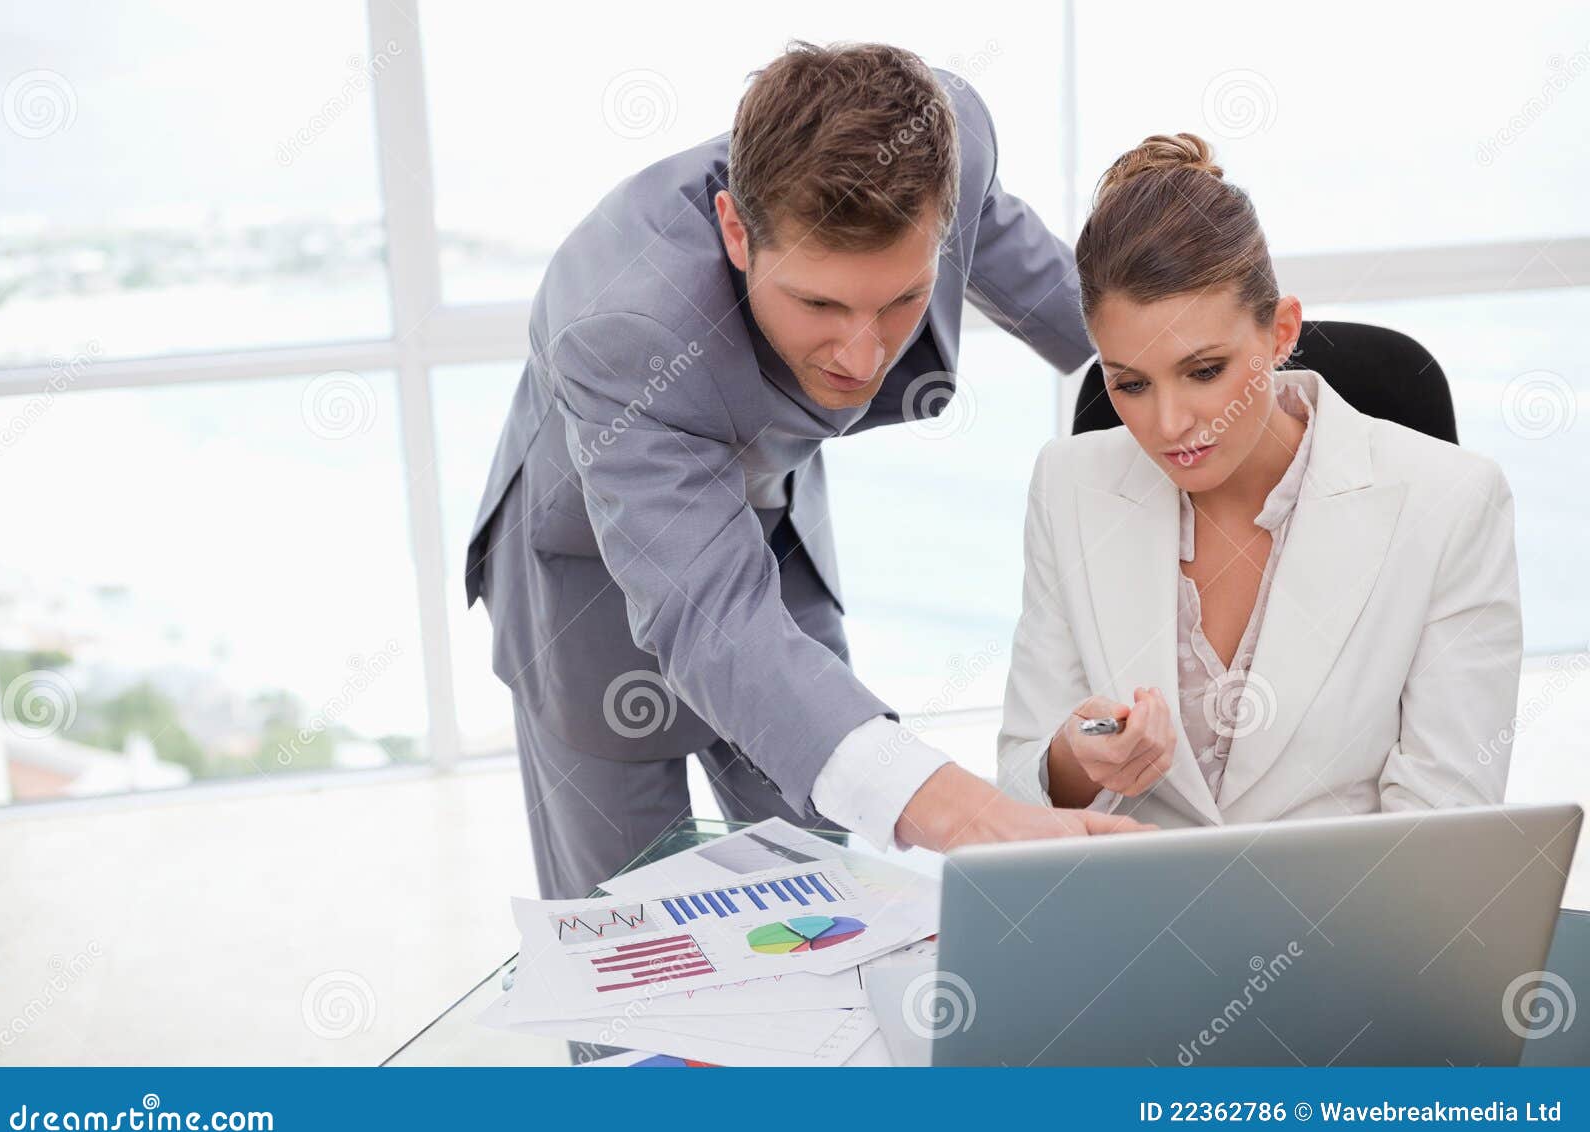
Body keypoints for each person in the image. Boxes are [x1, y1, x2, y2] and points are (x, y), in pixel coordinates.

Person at [467, 42, 1148, 899]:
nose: (862, 359)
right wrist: (970, 813)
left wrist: (1219, 382)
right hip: (588, 585)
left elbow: (1092, 315)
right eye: (818, 303)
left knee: (821, 889)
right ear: (735, 230)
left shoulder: (945, 143)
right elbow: (715, 624)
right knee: (634, 931)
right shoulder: (623, 325)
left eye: (901, 300)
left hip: (773, 521)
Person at [997, 132, 1523, 828]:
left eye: (1204, 371)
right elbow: (1023, 785)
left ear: (1281, 332)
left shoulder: (1453, 504)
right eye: (1130, 383)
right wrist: (1080, 752)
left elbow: (1444, 826)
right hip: (1129, 895)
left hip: (1348, 900)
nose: (1169, 424)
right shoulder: (1067, 485)